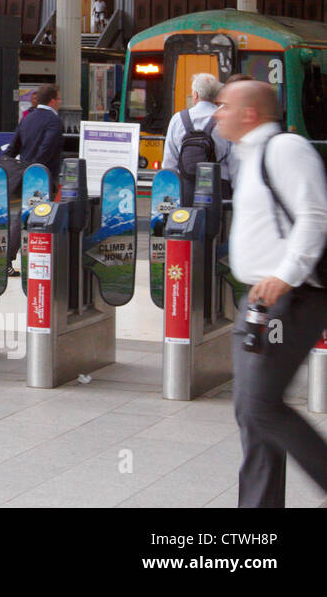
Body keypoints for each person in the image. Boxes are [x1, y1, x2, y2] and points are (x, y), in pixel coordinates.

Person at [214, 79, 327, 508]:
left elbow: (315, 215)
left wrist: (286, 274)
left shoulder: (285, 149)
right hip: (261, 303)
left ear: (250, 114)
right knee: (250, 412)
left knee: (260, 404)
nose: (216, 113)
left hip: (291, 300)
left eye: (224, 106)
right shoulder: (251, 154)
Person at [0, 83, 64, 273]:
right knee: (42, 216)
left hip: (28, 174)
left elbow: (13, 148)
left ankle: (10, 259)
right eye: (59, 99)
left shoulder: (28, 119)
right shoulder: (53, 121)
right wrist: (36, 170)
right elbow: (47, 148)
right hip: (42, 176)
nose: (60, 102)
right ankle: (41, 260)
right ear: (52, 100)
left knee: (23, 216)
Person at [162, 72, 232, 205]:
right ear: (217, 96)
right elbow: (233, 160)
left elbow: (169, 161)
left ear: (195, 94)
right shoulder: (224, 119)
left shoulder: (178, 119)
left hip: (186, 188)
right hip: (219, 187)